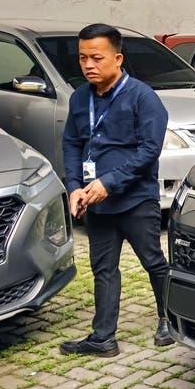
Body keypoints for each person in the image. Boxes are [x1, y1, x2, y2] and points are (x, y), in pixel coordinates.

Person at [59, 23, 173, 357]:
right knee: (103, 269)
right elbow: (71, 143)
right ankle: (103, 338)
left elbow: (149, 151)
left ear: (118, 58)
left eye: (96, 57)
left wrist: (109, 183)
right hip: (96, 204)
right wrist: (74, 187)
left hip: (136, 200)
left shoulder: (143, 98)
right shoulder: (81, 97)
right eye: (83, 58)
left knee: (153, 261)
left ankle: (170, 319)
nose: (88, 65)